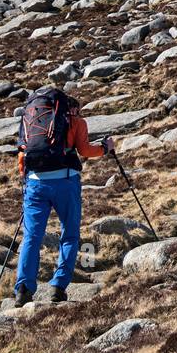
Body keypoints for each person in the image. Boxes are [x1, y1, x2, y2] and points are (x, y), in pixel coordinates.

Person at [12, 87, 113, 307]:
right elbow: (85, 150)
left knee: (32, 237)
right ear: (72, 107)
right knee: (69, 234)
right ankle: (58, 287)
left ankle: (23, 289)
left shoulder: (34, 122)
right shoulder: (76, 122)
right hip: (65, 182)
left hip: (35, 183)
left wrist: (28, 180)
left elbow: (22, 156)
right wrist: (105, 148)